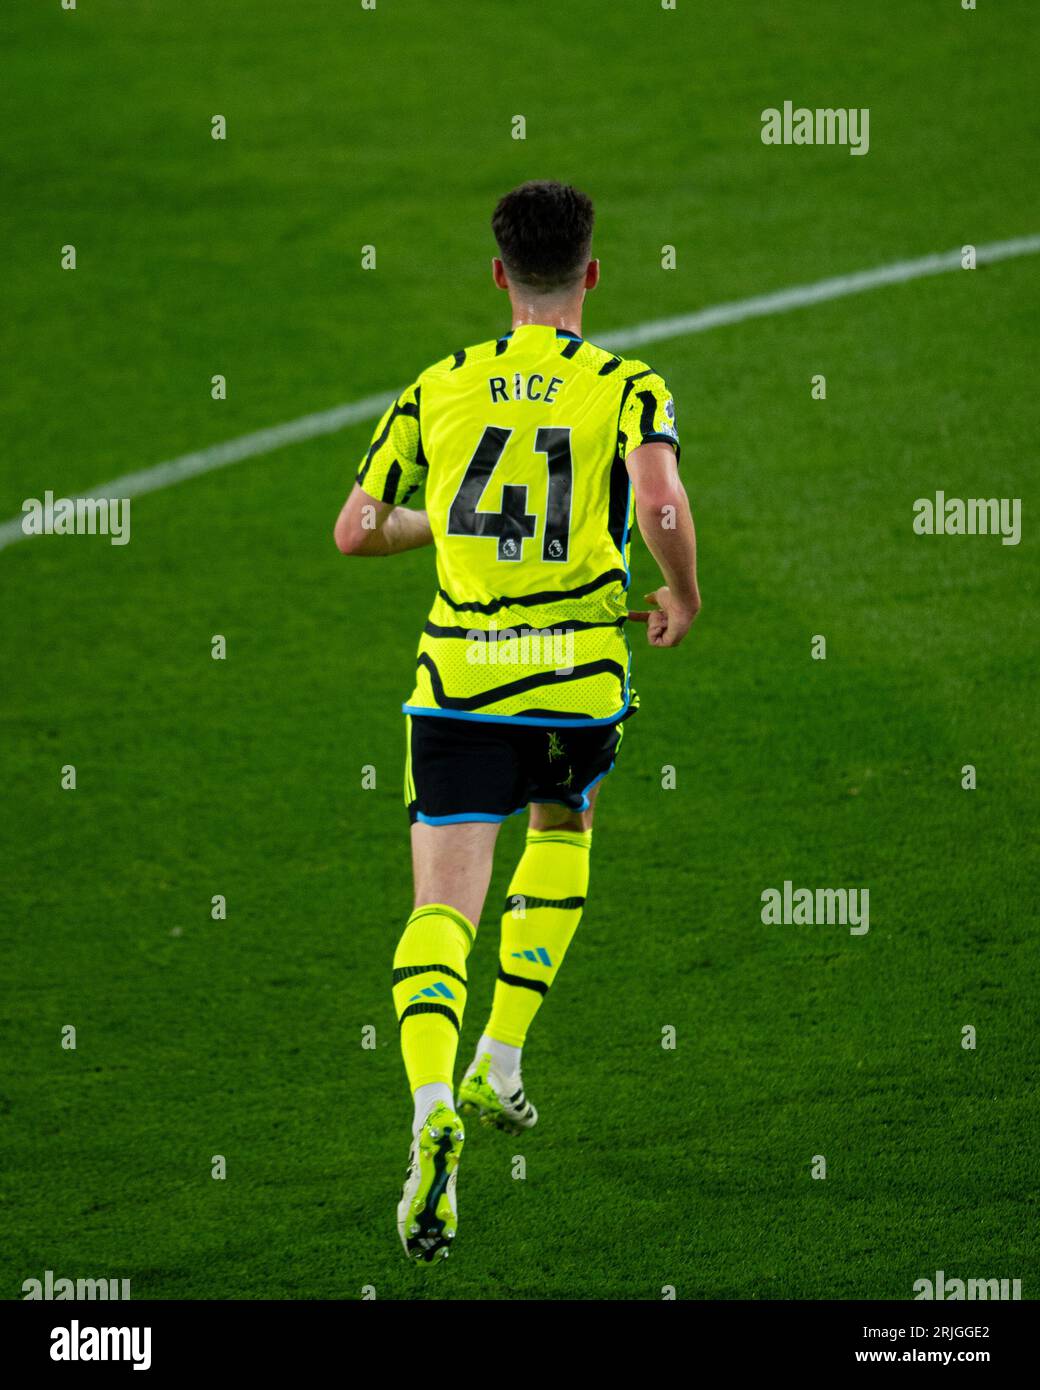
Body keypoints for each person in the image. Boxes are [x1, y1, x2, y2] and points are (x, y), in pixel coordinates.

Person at [334, 180, 701, 1262]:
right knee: (561, 829)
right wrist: (679, 594)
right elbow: (657, 501)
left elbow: (355, 530)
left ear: (498, 275)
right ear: (590, 272)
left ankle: (428, 1109)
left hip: (455, 679)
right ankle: (504, 1050)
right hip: (575, 678)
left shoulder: (438, 385)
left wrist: (435, 522)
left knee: (441, 904)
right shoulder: (626, 386)